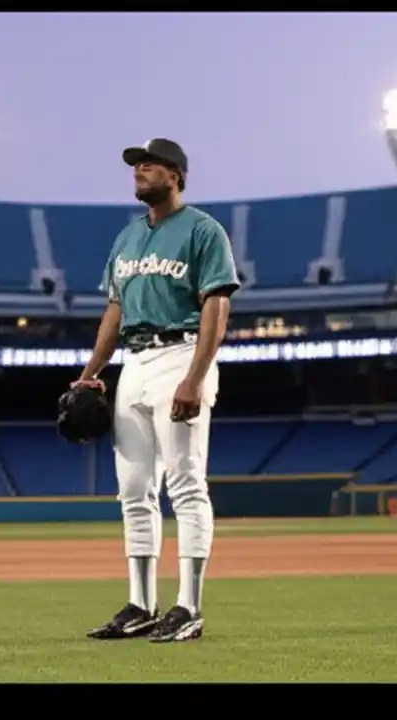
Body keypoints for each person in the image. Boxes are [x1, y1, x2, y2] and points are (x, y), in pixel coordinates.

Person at [73, 138, 240, 643]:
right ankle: (141, 604)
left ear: (177, 175)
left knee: (186, 484)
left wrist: (194, 375)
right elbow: (115, 310)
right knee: (134, 491)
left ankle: (188, 606)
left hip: (180, 355)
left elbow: (216, 306)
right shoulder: (126, 238)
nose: (139, 171)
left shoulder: (203, 230)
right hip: (134, 362)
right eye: (135, 166)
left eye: (150, 164)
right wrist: (89, 372)